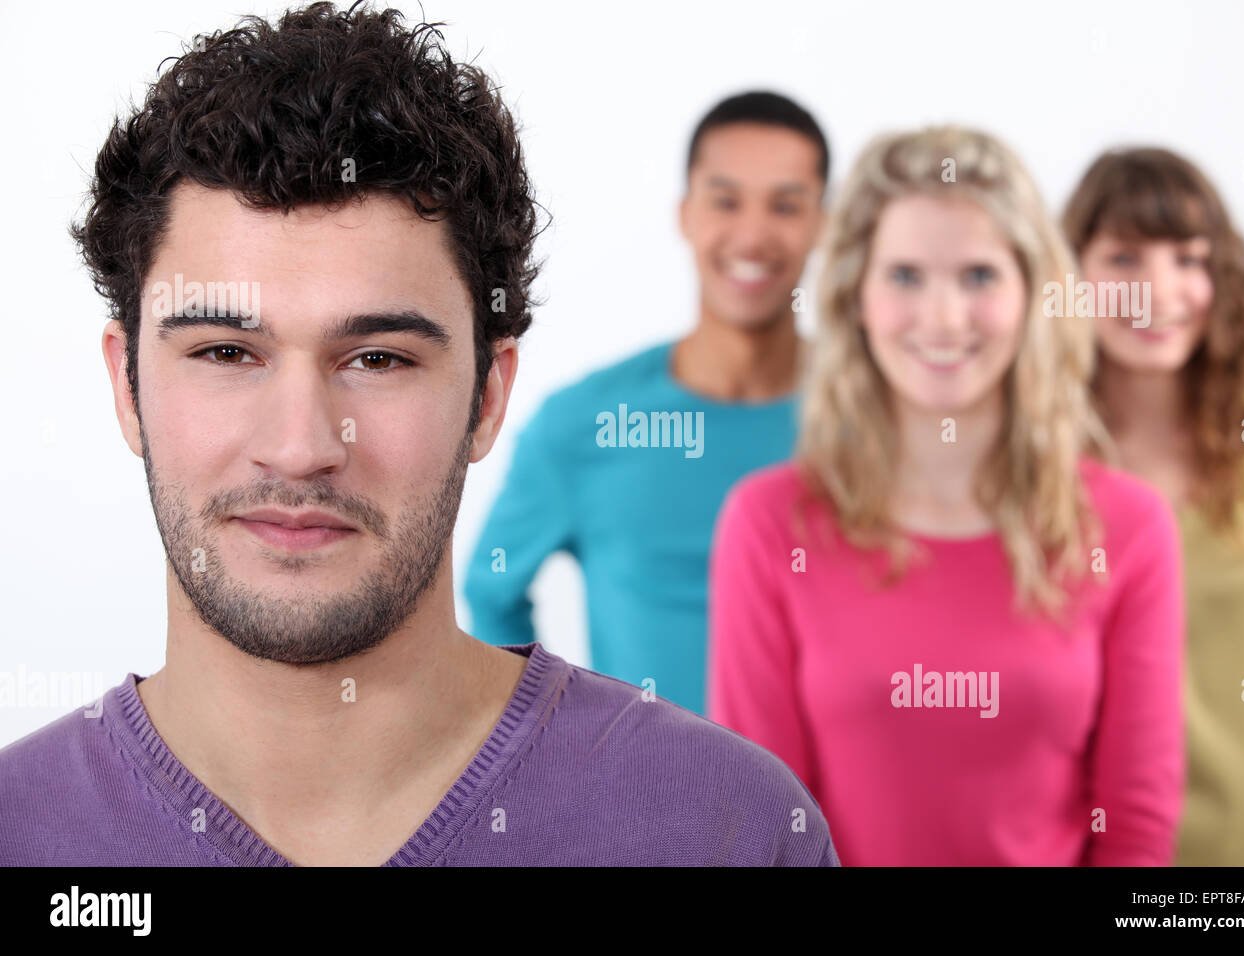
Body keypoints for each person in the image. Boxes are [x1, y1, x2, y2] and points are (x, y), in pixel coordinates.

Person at [0, 2, 838, 867]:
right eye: (225, 351)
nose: (299, 446)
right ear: (126, 386)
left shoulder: (728, 830)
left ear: (487, 397)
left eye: (378, 359)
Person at [707, 126, 1185, 865]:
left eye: (979, 276)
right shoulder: (769, 524)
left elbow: (1135, 828)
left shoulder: (1127, 526)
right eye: (904, 276)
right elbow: (766, 826)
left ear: (1031, 294)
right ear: (856, 298)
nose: (943, 318)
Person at [464, 91, 828, 715]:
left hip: (845, 813)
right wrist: (562, 742)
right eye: (726, 200)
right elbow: (491, 590)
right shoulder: (588, 424)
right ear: (686, 214)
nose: (753, 233)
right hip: (652, 806)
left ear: (824, 222)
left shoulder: (880, 418)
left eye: (786, 205)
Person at [1064, 147, 1244, 866]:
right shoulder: (1024, 458)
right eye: (1125, 260)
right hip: (1084, 847)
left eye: (1189, 259)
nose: (1157, 292)